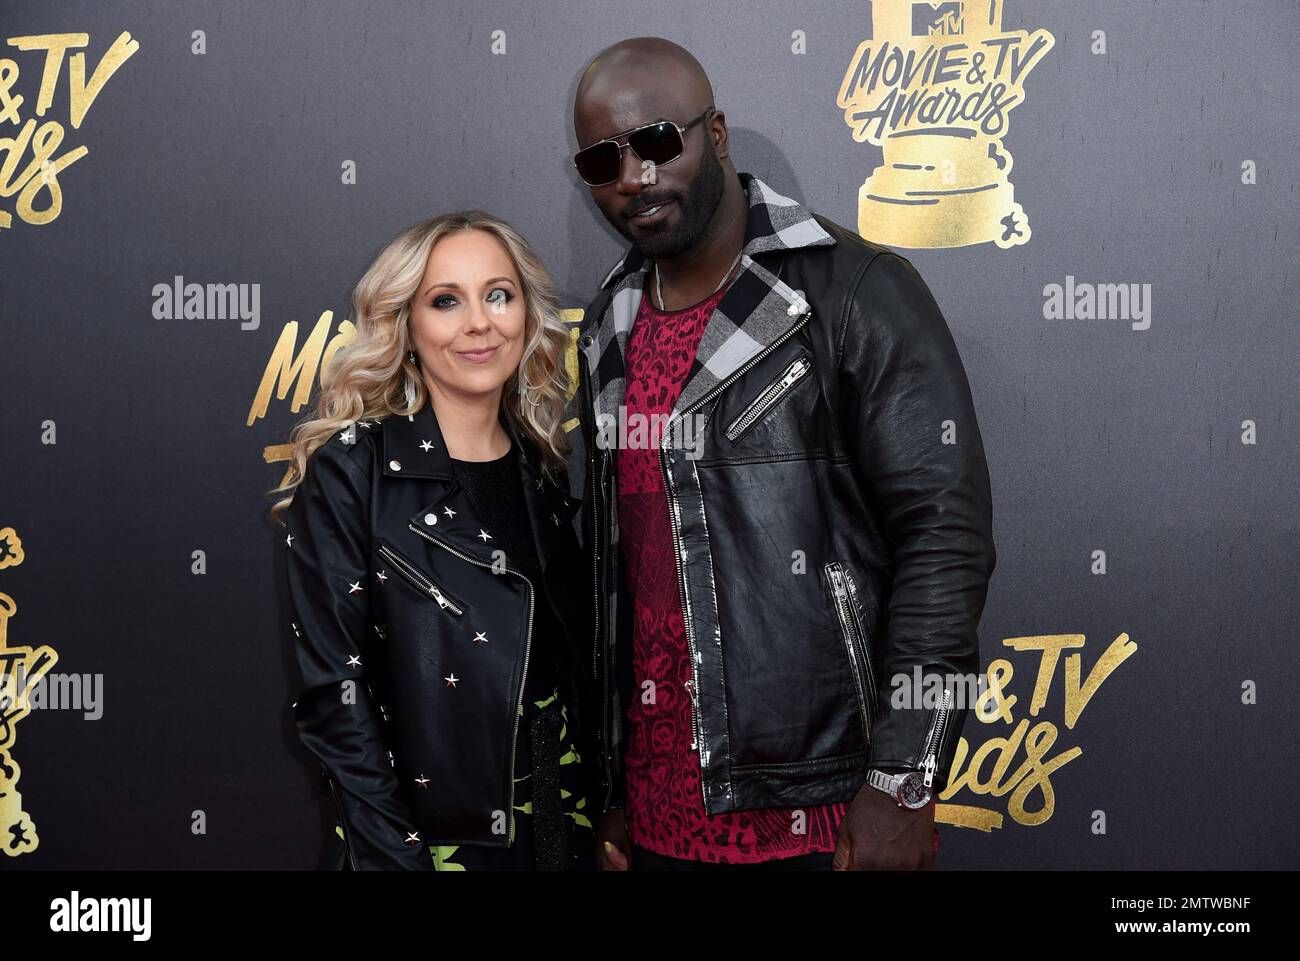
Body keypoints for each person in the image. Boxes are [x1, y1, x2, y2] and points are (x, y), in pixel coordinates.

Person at [569, 38, 997, 870]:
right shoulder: (608, 321)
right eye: (601, 160)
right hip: (656, 819)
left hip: (824, 813)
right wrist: (613, 785)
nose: (634, 177)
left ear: (716, 133)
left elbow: (944, 541)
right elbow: (622, 571)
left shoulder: (852, 291)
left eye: (657, 141)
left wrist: (903, 778)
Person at [270, 211, 596, 870]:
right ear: (406, 325)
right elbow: (335, 699)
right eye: (446, 301)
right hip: (431, 847)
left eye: (498, 295)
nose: (479, 322)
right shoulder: (351, 471)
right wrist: (398, 859)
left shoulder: (543, 465)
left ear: (527, 315)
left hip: (562, 830)